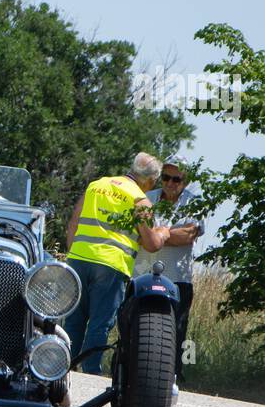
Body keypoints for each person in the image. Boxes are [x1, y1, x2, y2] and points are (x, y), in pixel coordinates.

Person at [62, 152, 170, 373]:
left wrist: (73, 254)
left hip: (79, 259)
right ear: (150, 180)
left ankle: (63, 369)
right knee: (100, 324)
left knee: (73, 321)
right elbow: (151, 243)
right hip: (111, 265)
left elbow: (74, 222)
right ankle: (91, 372)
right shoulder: (140, 200)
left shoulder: (96, 185)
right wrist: (164, 233)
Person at [133, 156, 203, 381]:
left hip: (178, 278)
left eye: (176, 179)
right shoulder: (146, 199)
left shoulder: (194, 202)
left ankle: (172, 375)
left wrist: (157, 235)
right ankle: (131, 370)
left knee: (176, 329)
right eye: (166, 177)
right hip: (143, 275)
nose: (170, 183)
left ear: (185, 180)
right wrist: (170, 234)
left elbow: (189, 235)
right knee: (136, 324)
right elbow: (136, 234)